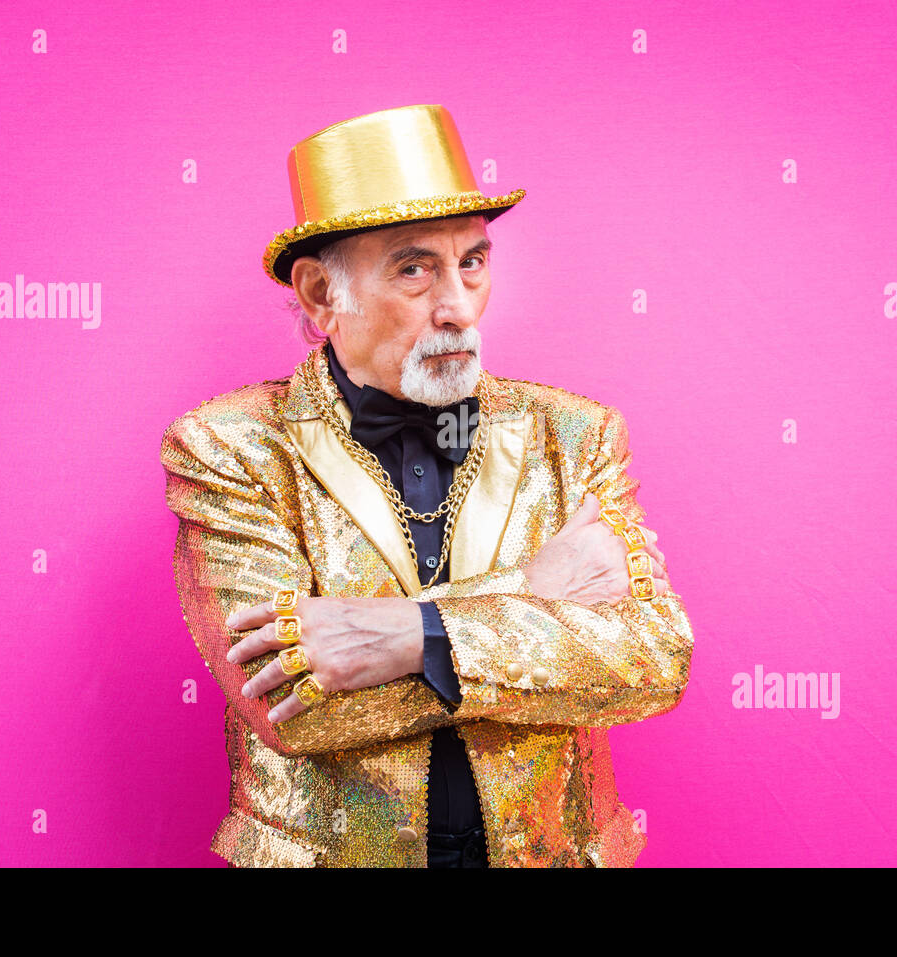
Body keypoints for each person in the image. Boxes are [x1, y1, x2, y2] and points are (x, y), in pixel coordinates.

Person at [160, 104, 695, 867]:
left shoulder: (575, 433)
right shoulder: (228, 448)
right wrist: (535, 592)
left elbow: (652, 659)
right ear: (319, 295)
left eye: (471, 263)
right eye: (415, 268)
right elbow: (291, 709)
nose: (457, 309)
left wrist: (410, 637)